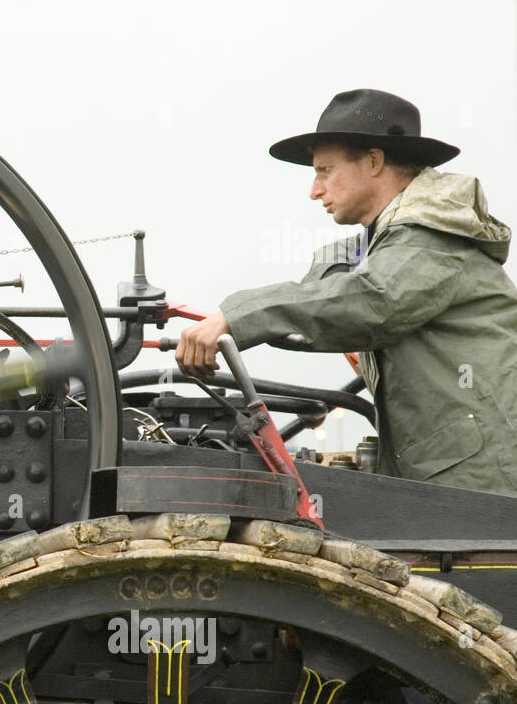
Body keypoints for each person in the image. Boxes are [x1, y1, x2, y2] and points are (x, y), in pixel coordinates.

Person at [175, 88, 517, 496]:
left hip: (482, 482)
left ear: (374, 161)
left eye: (324, 171)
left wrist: (235, 317)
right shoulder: (386, 243)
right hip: (448, 474)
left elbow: (373, 301)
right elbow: (343, 281)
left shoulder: (431, 237)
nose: (314, 190)